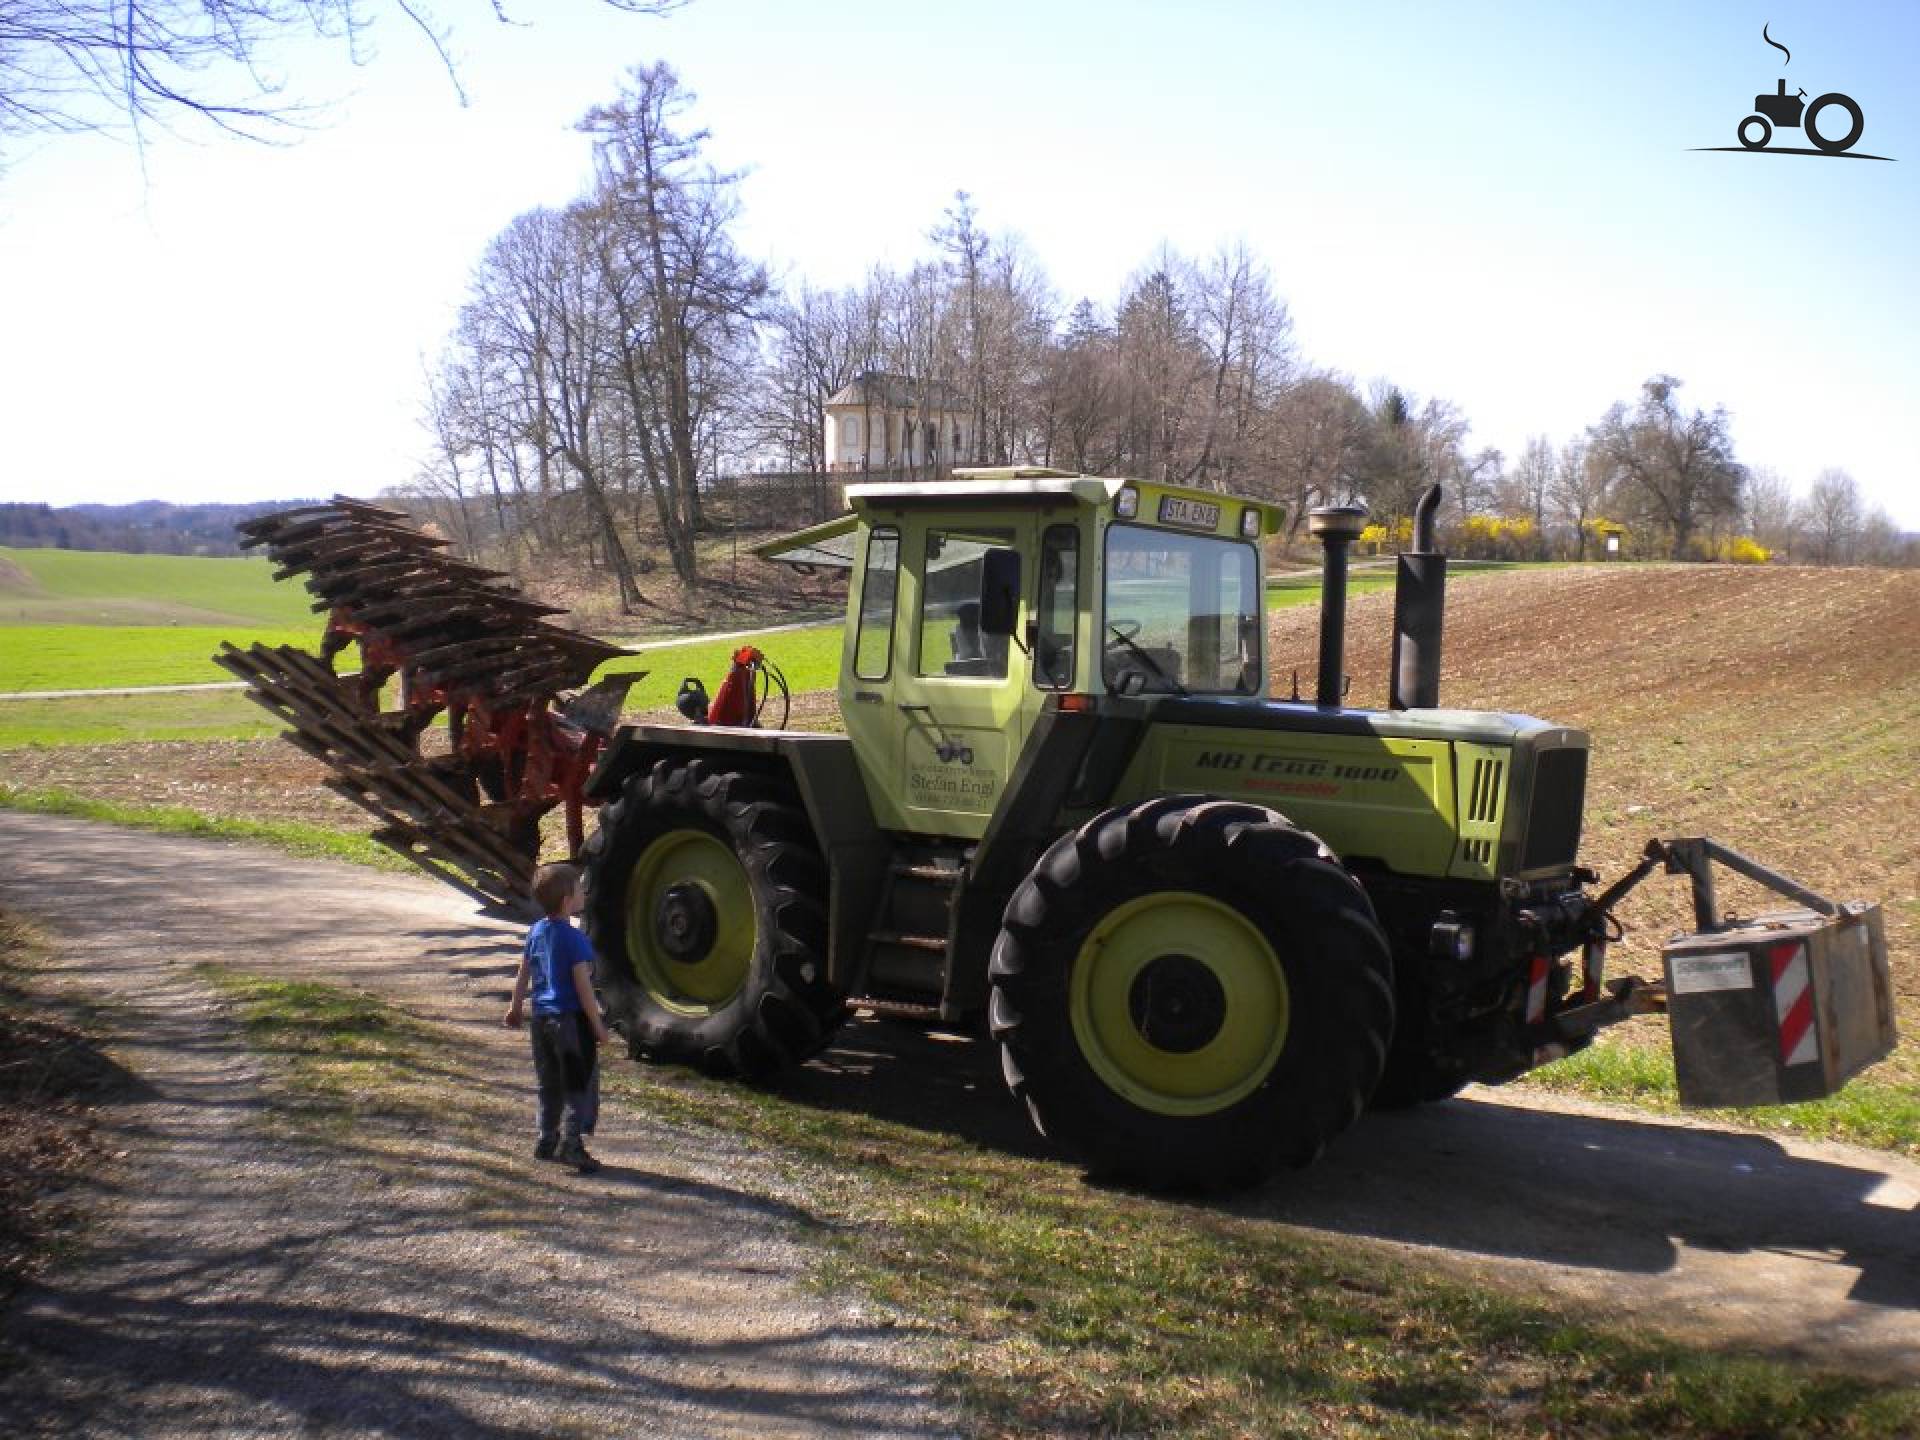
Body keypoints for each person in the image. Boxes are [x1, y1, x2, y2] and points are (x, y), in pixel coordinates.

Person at [503, 862, 609, 1173]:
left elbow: (524, 973)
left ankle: (545, 1138)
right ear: (567, 900)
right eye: (578, 890)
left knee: (548, 1082)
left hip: (541, 1021)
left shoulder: (536, 932)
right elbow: (584, 988)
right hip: (571, 1023)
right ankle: (571, 1145)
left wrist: (514, 1007)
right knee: (579, 1083)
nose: (582, 894)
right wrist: (598, 1025)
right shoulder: (575, 940)